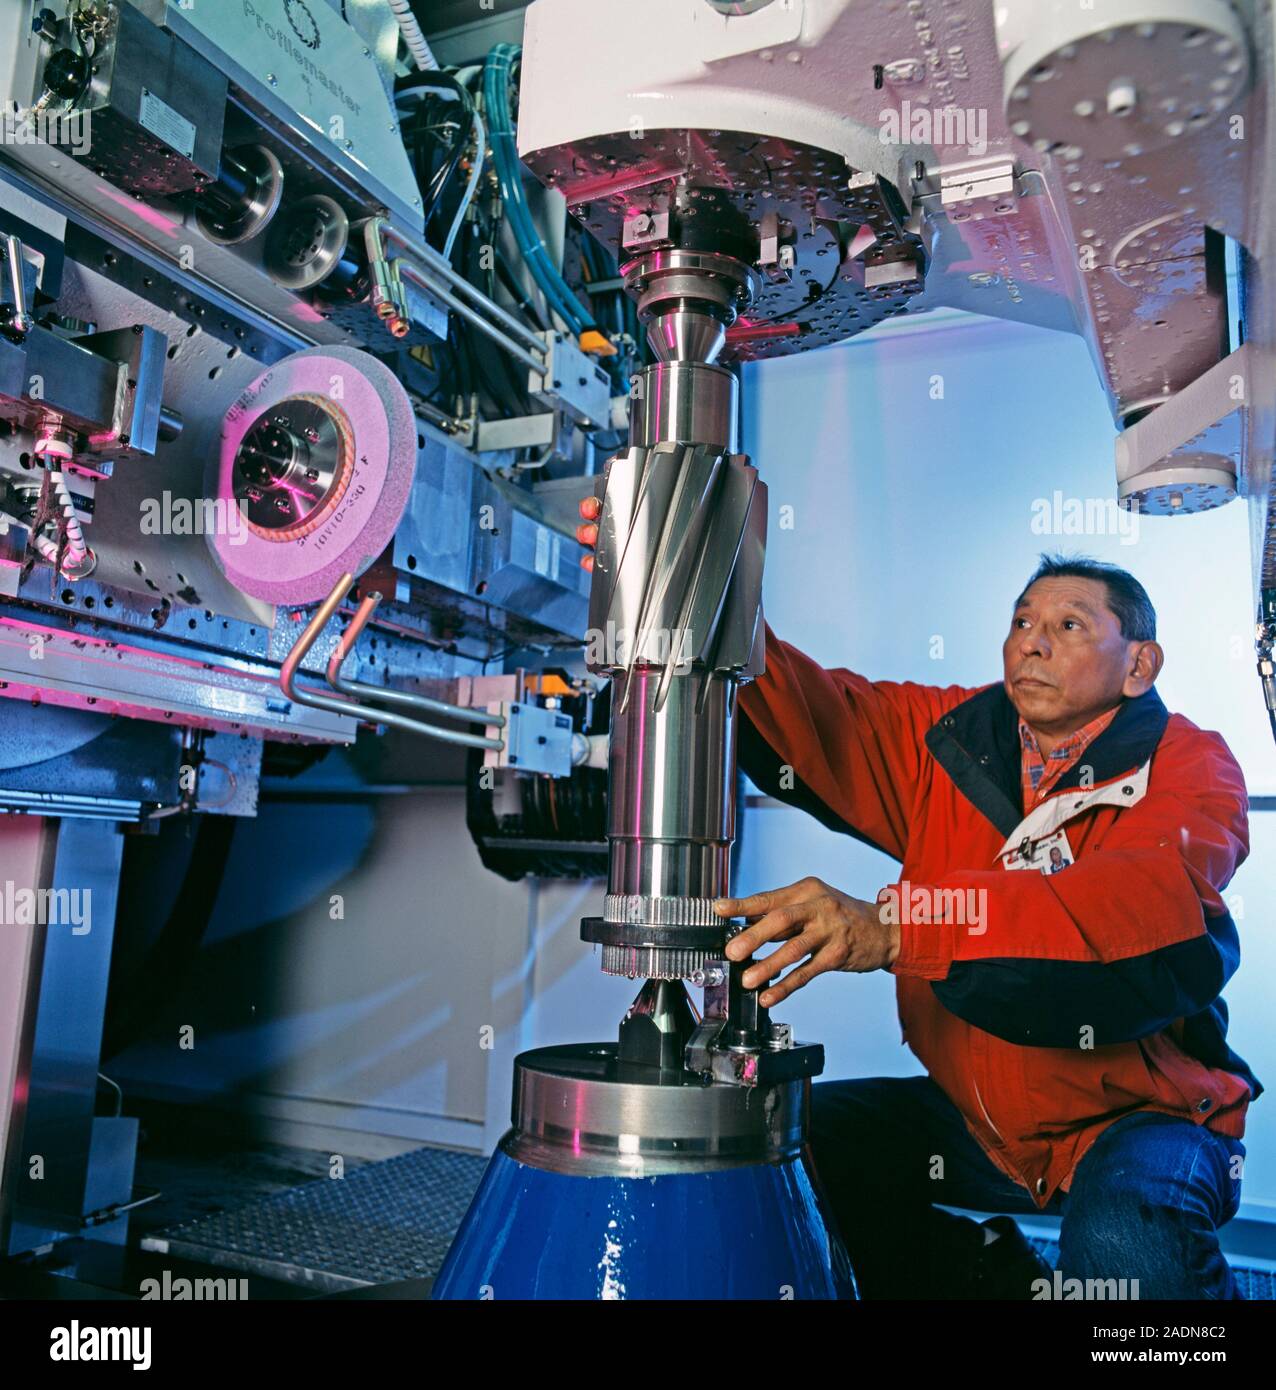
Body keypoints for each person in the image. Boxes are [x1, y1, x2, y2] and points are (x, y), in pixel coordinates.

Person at [579, 497, 1258, 1299]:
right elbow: (816, 713)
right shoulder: (950, 738)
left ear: (1140, 666)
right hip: (982, 1124)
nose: (1032, 640)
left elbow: (1139, 905)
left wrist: (905, 927)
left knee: (1122, 1241)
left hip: (1144, 1117)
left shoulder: (1190, 765)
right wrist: (680, 585)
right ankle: (998, 1279)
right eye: (1021, 620)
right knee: (773, 1151)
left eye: (1069, 625)